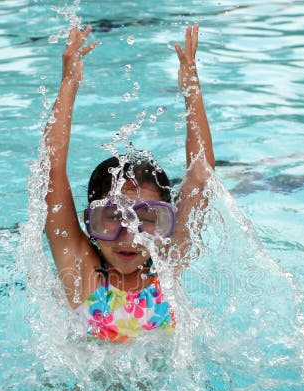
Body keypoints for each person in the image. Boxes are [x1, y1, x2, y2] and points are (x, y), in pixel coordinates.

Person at [43, 24, 215, 342]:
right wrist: (68, 85)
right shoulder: (81, 274)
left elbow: (201, 177)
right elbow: (51, 173)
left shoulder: (168, 266)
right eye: (112, 217)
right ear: (88, 220)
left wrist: (192, 88)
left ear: (168, 221)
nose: (129, 236)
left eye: (147, 220)